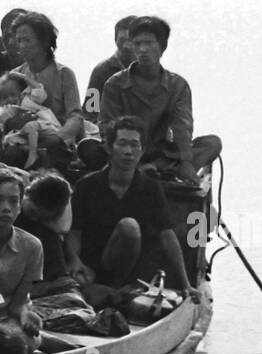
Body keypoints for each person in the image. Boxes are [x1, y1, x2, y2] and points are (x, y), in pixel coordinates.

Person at [65, 115, 193, 299]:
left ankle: (117, 290)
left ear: (142, 151)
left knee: (129, 227)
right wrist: (75, 260)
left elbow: (167, 235)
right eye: (122, 144)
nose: (128, 151)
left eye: (134, 145)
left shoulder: (151, 188)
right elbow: (74, 230)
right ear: (109, 147)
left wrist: (185, 283)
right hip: (93, 267)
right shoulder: (87, 185)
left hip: (132, 274)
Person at [99, 15, 221, 182]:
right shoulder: (114, 83)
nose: (142, 49)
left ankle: (159, 169)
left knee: (212, 143)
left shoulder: (178, 85)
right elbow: (106, 125)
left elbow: (182, 127)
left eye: (149, 43)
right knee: (89, 148)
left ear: (162, 47)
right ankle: (144, 170)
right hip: (126, 150)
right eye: (137, 44)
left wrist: (186, 161)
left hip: (163, 154)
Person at [9, 12, 86, 160]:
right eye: (19, 40)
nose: (22, 46)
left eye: (27, 40)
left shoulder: (64, 74)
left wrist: (58, 138)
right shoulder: (16, 75)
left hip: (57, 141)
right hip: (23, 140)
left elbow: (75, 116)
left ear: (44, 41)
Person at [0, 166, 42, 327]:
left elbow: (17, 304)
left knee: (30, 339)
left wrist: (25, 316)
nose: (6, 208)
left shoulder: (32, 246)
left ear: (20, 206)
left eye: (14, 201)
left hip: (8, 318)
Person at [17, 172, 77, 297]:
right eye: (33, 212)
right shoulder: (11, 212)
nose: (35, 218)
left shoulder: (48, 232)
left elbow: (63, 227)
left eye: (41, 216)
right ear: (26, 193)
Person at [0, 70, 63, 170]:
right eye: (4, 97)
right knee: (10, 140)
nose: (10, 99)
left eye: (13, 94)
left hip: (42, 128)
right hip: (23, 137)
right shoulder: (1, 112)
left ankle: (33, 154)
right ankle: (32, 151)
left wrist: (23, 77)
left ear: (21, 92)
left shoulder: (28, 101)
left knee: (32, 127)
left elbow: (38, 89)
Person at [85, 15, 136, 120]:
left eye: (131, 40)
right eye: (122, 40)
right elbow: (90, 111)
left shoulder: (150, 71)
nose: (126, 45)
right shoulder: (101, 71)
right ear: (115, 39)